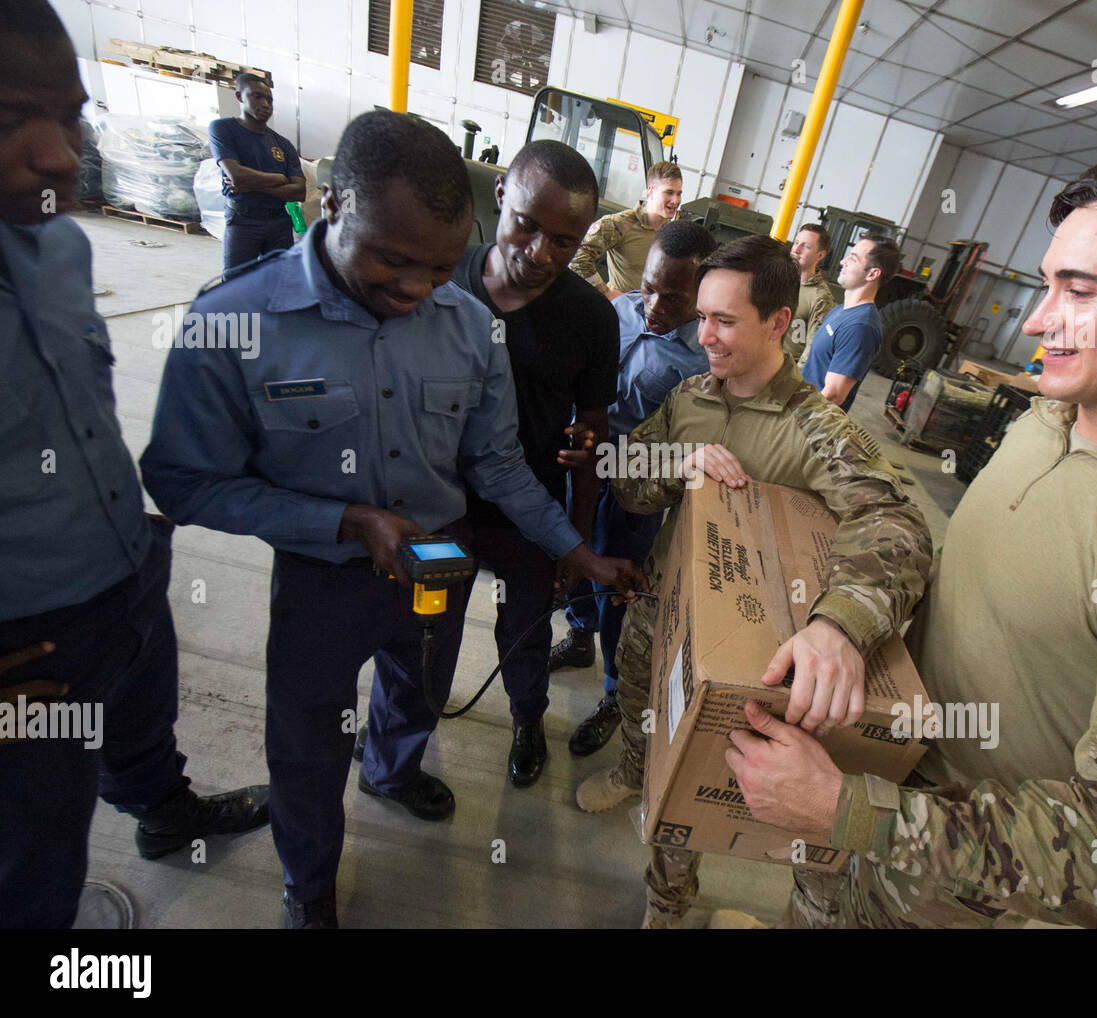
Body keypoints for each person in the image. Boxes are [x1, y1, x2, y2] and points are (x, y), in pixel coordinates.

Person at [724, 137, 1097, 929]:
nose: (1036, 322)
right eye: (1045, 284)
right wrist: (847, 626)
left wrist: (847, 809)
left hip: (957, 895)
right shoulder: (1053, 413)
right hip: (874, 797)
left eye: (1080, 291)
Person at [140, 111, 646, 929]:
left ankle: (390, 769)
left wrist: (574, 550)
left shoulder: (472, 327)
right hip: (322, 579)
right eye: (391, 260)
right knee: (306, 749)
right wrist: (342, 521)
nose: (415, 288)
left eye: (440, 268)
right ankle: (308, 887)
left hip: (437, 562)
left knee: (417, 688)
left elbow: (496, 464)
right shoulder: (234, 322)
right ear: (333, 204)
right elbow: (182, 480)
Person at [0, 0, 269, 930]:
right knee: (35, 853)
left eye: (69, 116)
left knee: (141, 732)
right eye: (10, 119)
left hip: (125, 572)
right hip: (25, 650)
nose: (60, 154)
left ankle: (164, 816)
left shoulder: (60, 247)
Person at [585, 235, 933, 927]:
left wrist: (842, 623)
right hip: (665, 611)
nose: (702, 335)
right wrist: (680, 464)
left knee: (739, 788)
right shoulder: (688, 397)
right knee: (645, 721)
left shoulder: (818, 430)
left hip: (766, 656)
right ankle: (661, 878)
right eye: (702, 316)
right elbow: (627, 487)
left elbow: (900, 526)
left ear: (778, 321)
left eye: (724, 320)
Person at [448, 139, 618, 786]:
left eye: (565, 242)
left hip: (530, 518)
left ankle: (526, 721)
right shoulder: (443, 281)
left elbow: (590, 442)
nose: (541, 253)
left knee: (523, 633)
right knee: (429, 625)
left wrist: (572, 544)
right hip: (442, 513)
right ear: (499, 199)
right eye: (526, 225)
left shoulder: (590, 319)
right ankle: (404, 720)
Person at [553, 220, 717, 761]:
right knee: (573, 560)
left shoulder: (703, 365)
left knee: (619, 591)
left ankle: (613, 693)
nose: (653, 304)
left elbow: (679, 457)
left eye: (674, 296)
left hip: (634, 495)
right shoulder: (617, 312)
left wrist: (611, 460)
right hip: (579, 474)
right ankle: (578, 637)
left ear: (703, 292)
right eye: (649, 286)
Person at [208, 72, 305, 273]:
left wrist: (251, 184)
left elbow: (299, 192)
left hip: (278, 222)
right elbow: (236, 175)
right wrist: (279, 179)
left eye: (269, 99)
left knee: (281, 281)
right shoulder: (223, 129)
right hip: (243, 220)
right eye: (257, 96)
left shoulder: (283, 144)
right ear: (239, 96)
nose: (266, 104)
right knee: (236, 283)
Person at [800, 235, 898, 413]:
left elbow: (833, 395)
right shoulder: (840, 310)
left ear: (872, 274)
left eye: (853, 259)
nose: (843, 262)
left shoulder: (861, 327)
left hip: (806, 425)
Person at [569, 160, 682, 299]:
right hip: (619, 315)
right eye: (669, 192)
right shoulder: (621, 223)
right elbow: (577, 256)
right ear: (651, 191)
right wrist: (606, 293)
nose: (675, 200)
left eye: (679, 193)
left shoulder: (671, 233)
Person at [783, 222, 835, 364]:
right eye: (796, 243)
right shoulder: (778, 280)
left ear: (820, 255)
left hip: (784, 373)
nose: (796, 250)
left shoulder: (821, 298)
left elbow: (814, 349)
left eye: (805, 246)